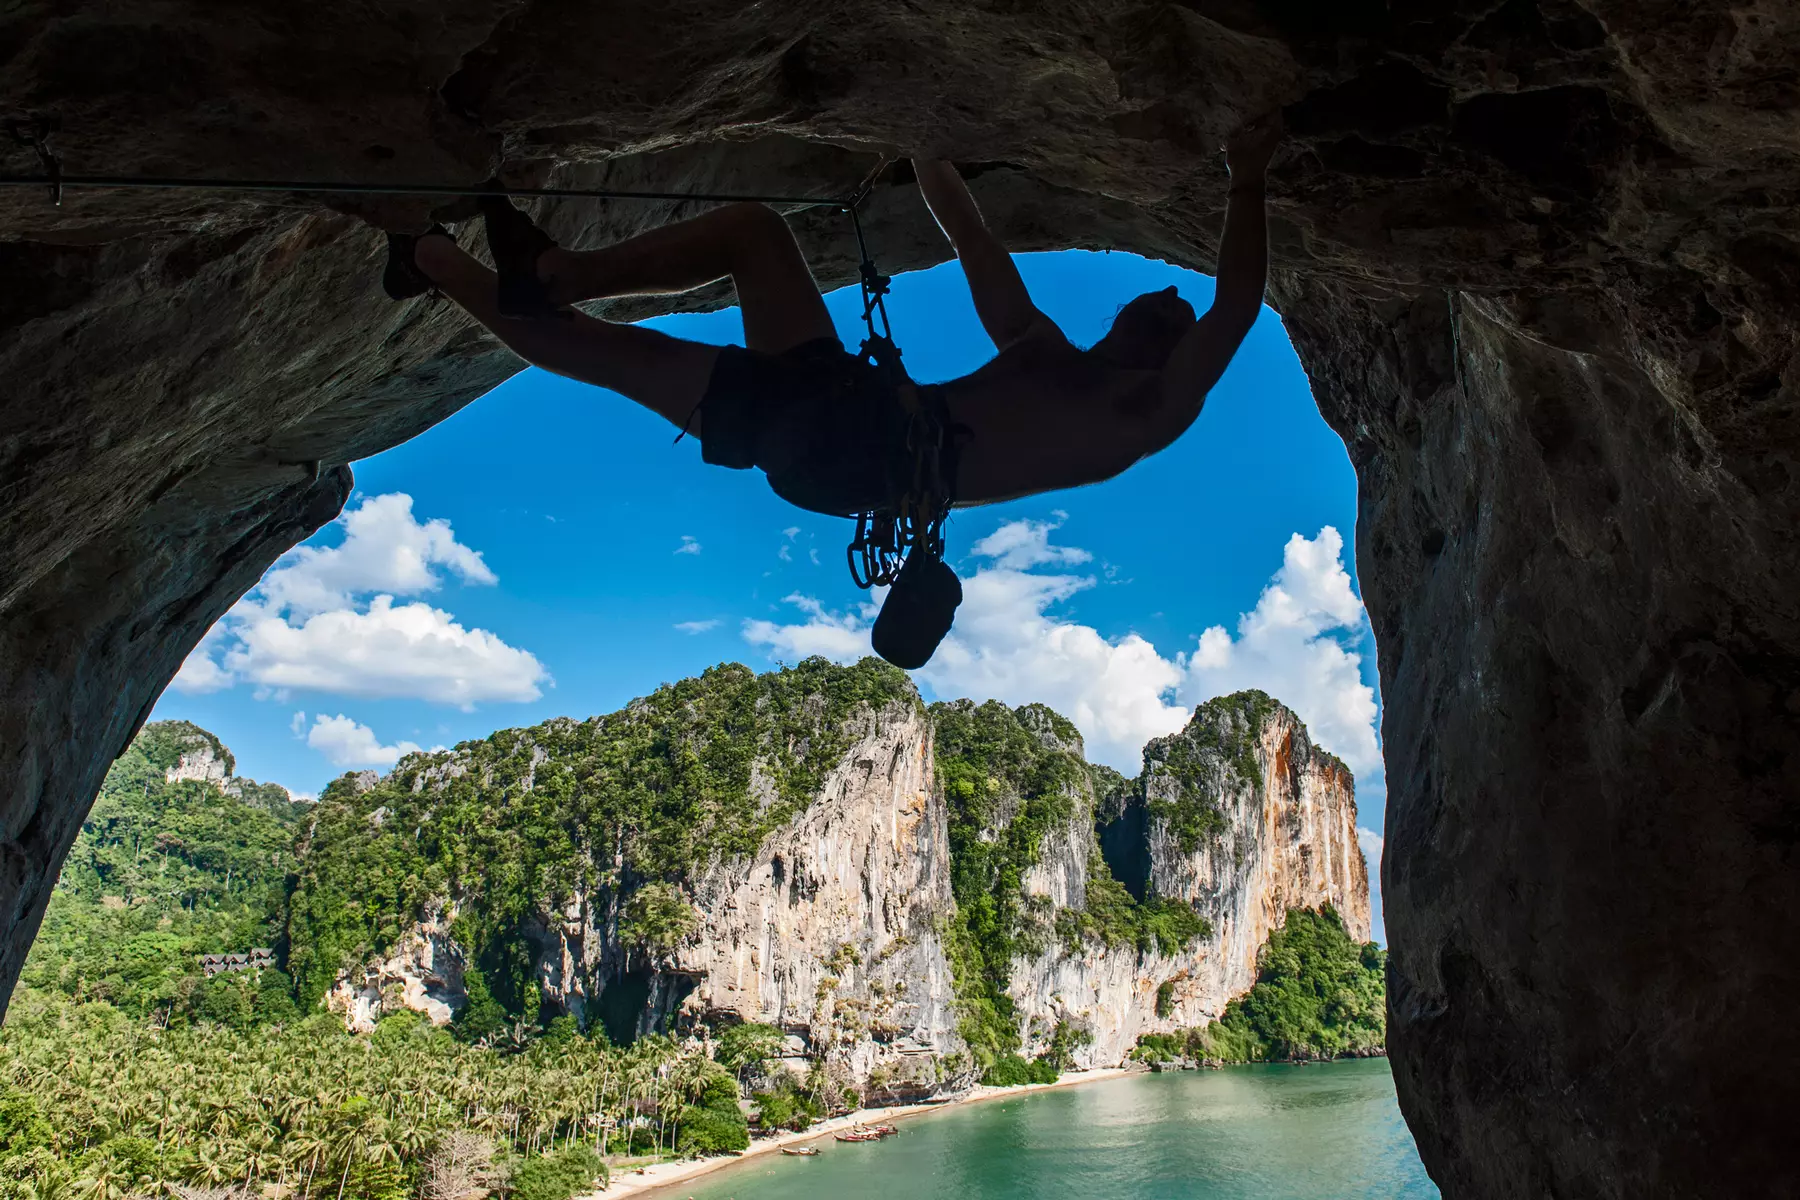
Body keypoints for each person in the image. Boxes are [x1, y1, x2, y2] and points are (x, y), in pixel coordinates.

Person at [381, 117, 1282, 666]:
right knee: (610, 354)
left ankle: (562, 270)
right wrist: (920, 145)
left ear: (1168, 339)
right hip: (833, 462)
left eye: (1179, 304)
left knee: (751, 238)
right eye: (1172, 290)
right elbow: (970, 236)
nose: (1174, 290)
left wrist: (1247, 177)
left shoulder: (1147, 413)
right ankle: (427, 253)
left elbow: (1236, 302)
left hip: (858, 433)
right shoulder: (1045, 350)